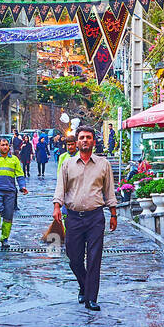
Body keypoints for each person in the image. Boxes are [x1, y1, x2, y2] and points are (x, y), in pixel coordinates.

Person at [53, 125, 117, 311]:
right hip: (73, 217)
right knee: (73, 257)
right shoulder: (67, 164)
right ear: (77, 141)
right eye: (82, 137)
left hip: (95, 217)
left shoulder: (103, 164)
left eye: (88, 137)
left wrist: (113, 213)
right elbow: (60, 187)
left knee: (94, 258)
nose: (85, 140)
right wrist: (57, 206)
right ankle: (83, 285)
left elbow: (109, 191)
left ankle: (91, 297)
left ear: (93, 142)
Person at [0, 137, 25, 249]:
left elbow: (20, 175)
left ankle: (5, 238)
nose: (5, 147)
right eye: (2, 145)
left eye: (7, 145)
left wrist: (22, 187)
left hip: (10, 192)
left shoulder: (14, 160)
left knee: (8, 215)